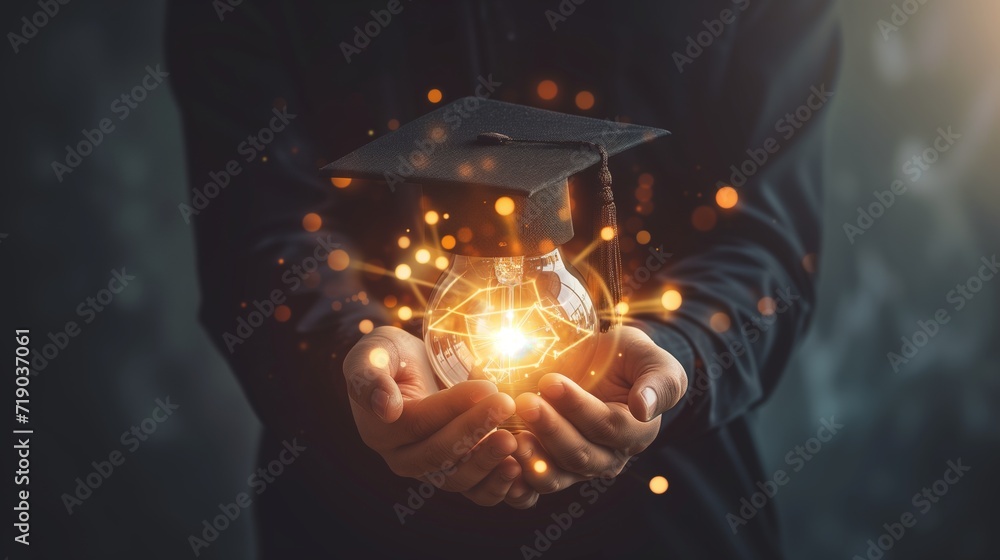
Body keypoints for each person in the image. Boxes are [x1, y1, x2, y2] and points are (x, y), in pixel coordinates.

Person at [168, 1, 840, 558]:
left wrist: (676, 359)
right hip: (368, 520)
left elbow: (765, 242)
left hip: (666, 519)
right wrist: (356, 357)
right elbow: (259, 232)